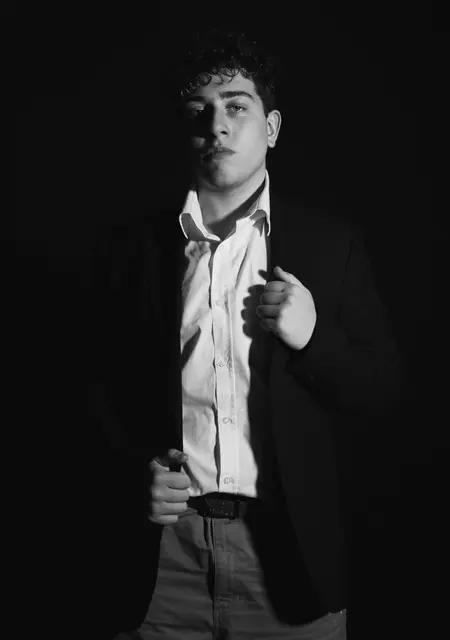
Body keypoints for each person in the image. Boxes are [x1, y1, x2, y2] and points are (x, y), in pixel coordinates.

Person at [90, 25, 404, 640]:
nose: (218, 126)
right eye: (199, 110)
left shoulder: (330, 246)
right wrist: (133, 476)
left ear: (273, 127)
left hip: (289, 564)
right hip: (159, 568)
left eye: (236, 106)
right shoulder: (130, 251)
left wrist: (314, 338)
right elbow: (92, 395)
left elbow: (384, 394)